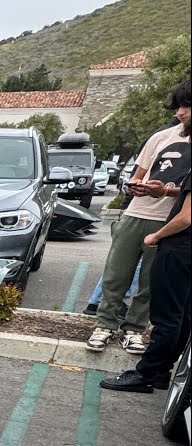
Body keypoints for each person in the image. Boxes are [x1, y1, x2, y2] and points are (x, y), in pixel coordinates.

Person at [89, 82, 191, 354]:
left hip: (170, 221)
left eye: (187, 106)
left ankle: (134, 329)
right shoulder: (161, 137)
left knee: (150, 281)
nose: (181, 112)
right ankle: (104, 325)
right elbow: (137, 174)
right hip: (136, 212)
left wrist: (167, 191)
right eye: (178, 106)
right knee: (116, 274)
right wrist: (138, 186)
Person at [100, 122, 191, 393]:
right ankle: (161, 372)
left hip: (179, 243)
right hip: (173, 237)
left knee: (168, 315)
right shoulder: (161, 138)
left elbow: (186, 215)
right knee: (182, 314)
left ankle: (146, 374)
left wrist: (157, 235)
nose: (181, 115)